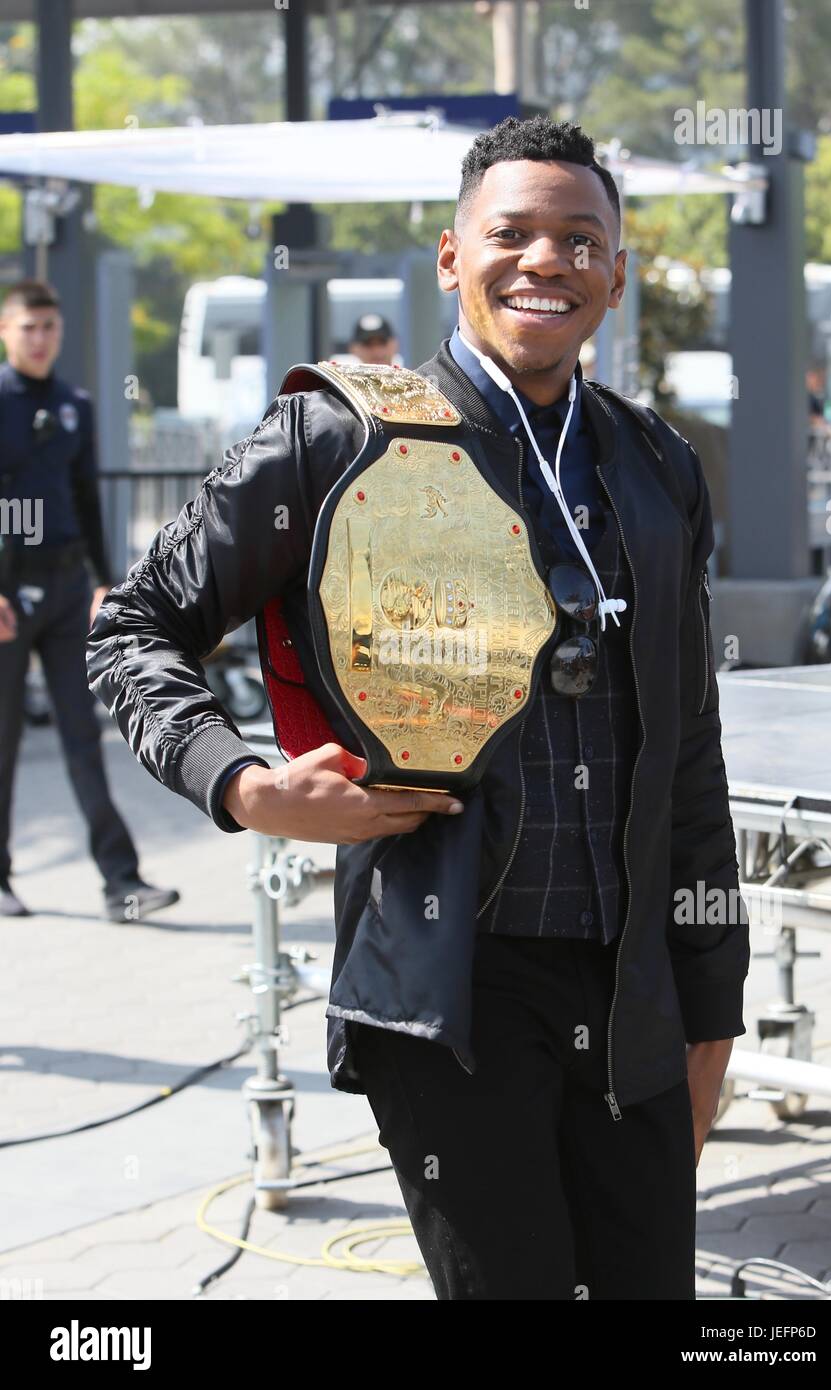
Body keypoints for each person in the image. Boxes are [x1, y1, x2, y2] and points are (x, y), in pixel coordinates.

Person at [86, 116, 749, 1299]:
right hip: (454, 994)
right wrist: (244, 786)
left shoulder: (657, 465)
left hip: (633, 993)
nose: (544, 260)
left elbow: (687, 752)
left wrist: (711, 999)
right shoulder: (338, 433)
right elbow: (133, 628)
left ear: (615, 271)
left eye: (578, 239)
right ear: (451, 257)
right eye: (512, 234)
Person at [0, 279, 179, 923]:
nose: (41, 339)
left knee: (86, 735)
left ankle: (121, 882)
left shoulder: (74, 404)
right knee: (5, 736)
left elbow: (83, 499)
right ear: (5, 330)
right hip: (8, 591)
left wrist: (106, 578)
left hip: (69, 586)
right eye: (29, 328)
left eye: (50, 327)